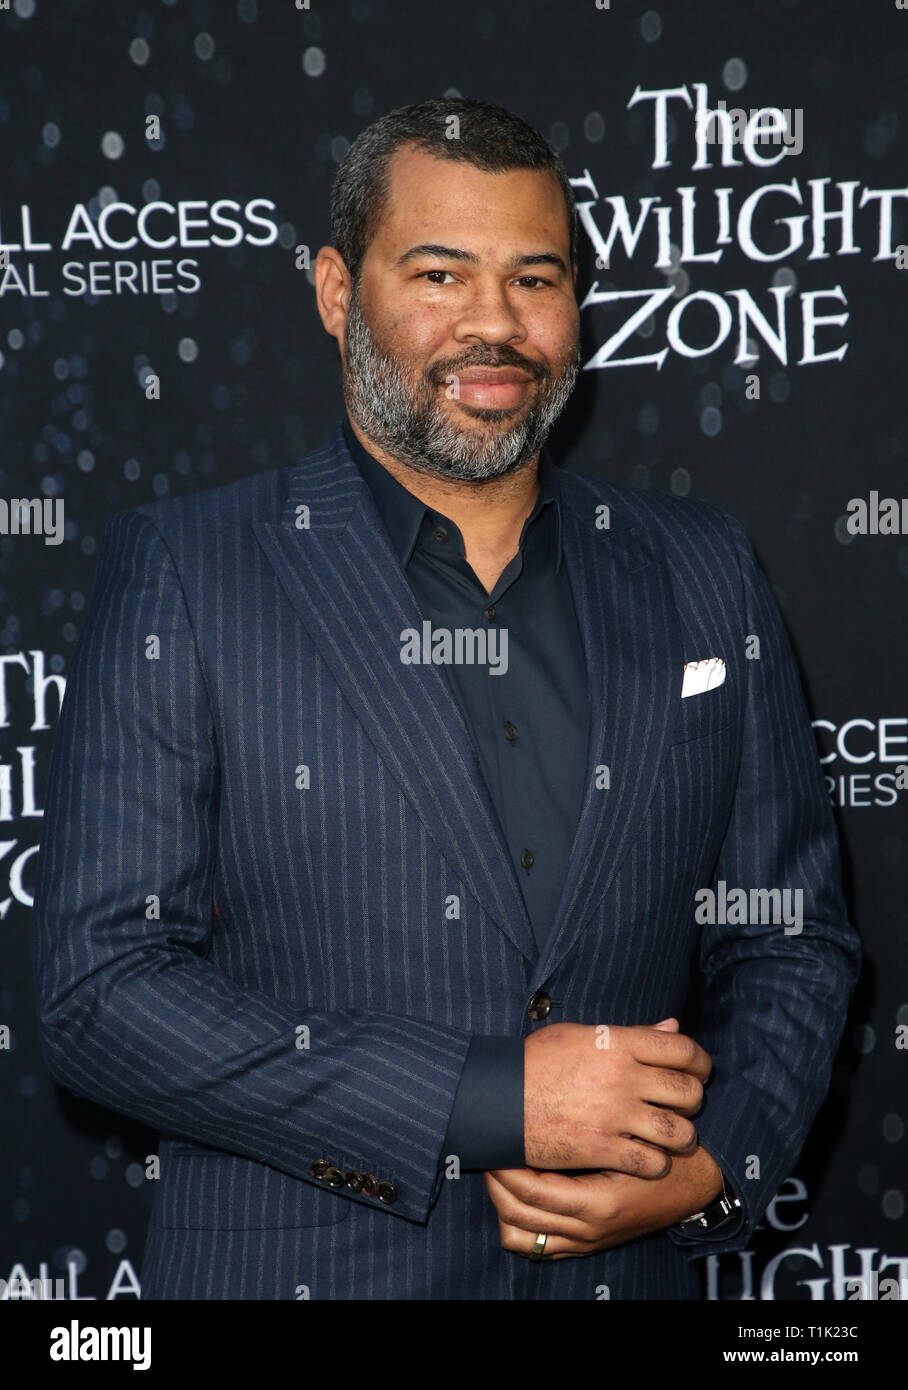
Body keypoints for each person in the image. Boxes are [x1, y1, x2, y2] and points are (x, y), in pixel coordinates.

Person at [33, 97, 861, 1300]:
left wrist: (712, 1164)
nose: (494, 325)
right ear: (333, 291)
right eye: (439, 272)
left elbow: (786, 937)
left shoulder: (699, 563)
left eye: (535, 278)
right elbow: (100, 990)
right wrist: (487, 1098)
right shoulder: (190, 568)